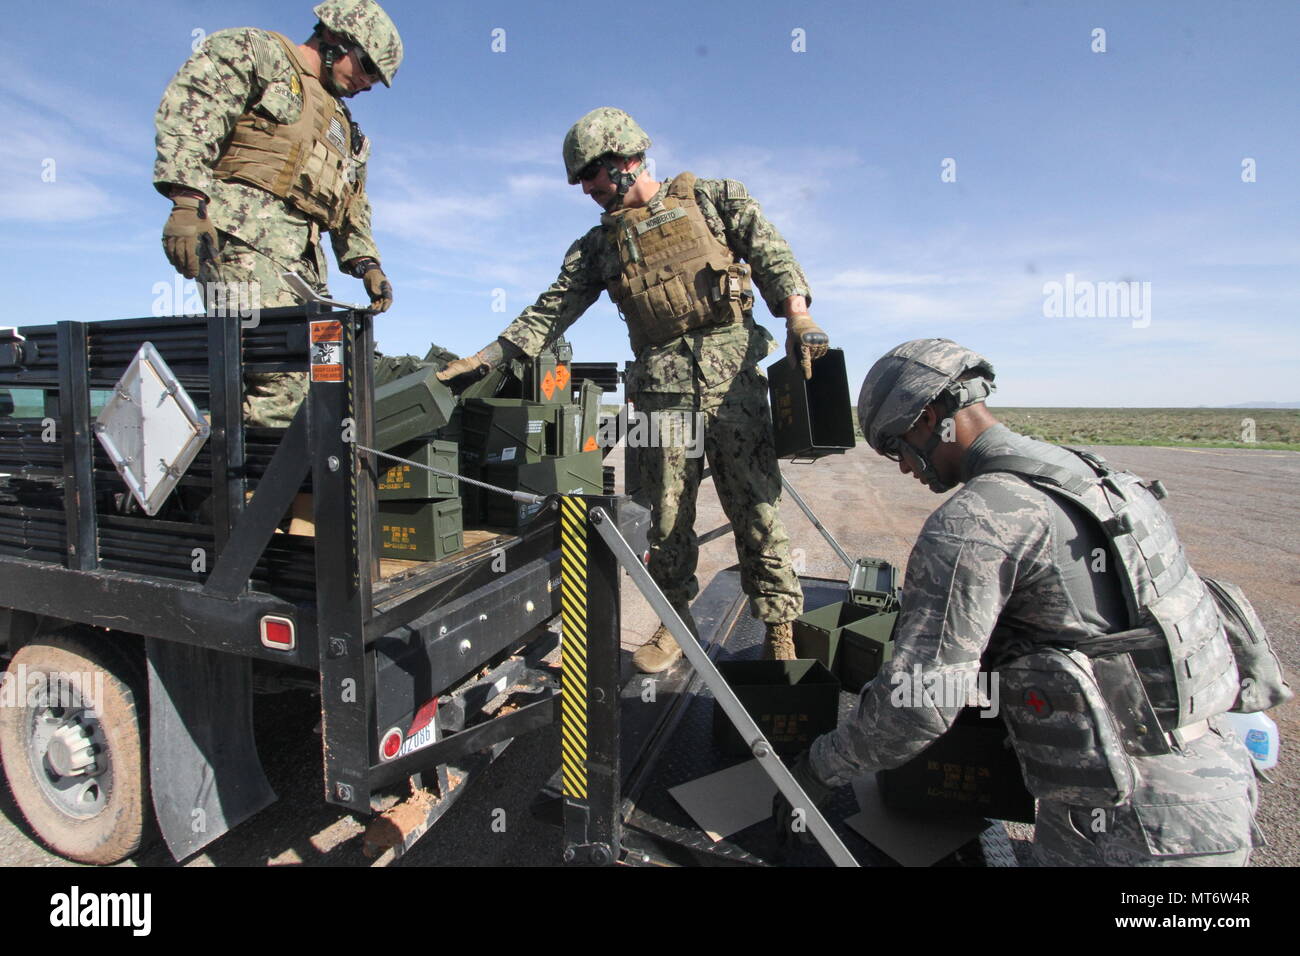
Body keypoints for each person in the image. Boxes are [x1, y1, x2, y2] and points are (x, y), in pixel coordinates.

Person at [779, 338, 1265, 865]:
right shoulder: (1089, 473)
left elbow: (919, 703)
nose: (902, 467)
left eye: (895, 446)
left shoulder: (975, 521)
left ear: (928, 416)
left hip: (1132, 825)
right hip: (1211, 782)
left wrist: (814, 770)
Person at [438, 107, 829, 672]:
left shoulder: (714, 198)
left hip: (734, 383)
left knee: (759, 512)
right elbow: (553, 309)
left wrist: (798, 316)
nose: (588, 190)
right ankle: (674, 626)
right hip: (661, 396)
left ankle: (780, 629)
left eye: (592, 175)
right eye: (582, 181)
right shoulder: (598, 246)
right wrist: (489, 356)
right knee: (666, 522)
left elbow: (771, 252)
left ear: (624, 158)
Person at [153, 0, 401, 426]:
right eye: (366, 66)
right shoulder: (258, 54)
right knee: (281, 381)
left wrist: (367, 264)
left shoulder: (346, 131)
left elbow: (352, 204)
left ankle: (278, 486)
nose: (368, 82)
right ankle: (236, 488)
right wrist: (187, 200)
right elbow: (195, 108)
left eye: (376, 77)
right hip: (239, 246)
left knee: (328, 380)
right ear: (335, 39)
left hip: (303, 268)